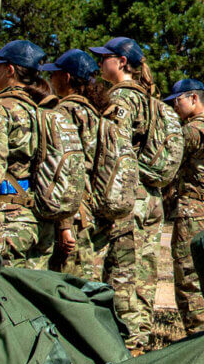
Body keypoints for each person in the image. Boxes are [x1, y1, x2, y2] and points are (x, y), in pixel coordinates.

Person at [91, 36, 181, 352]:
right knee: (145, 272)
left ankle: (125, 344)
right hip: (153, 197)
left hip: (128, 197)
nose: (100, 62)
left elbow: (110, 153)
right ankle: (141, 336)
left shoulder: (120, 101)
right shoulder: (152, 102)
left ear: (123, 63)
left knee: (121, 274)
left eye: (105, 57)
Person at [0, 40, 85, 268]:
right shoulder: (45, 110)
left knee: (1, 295)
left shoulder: (1, 109)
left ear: (9, 70)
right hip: (41, 222)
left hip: (8, 220)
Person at [41, 49, 135, 277]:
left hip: (74, 213)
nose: (50, 79)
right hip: (95, 211)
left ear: (66, 77)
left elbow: (66, 170)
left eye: (54, 74)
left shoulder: (64, 112)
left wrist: (64, 225)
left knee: (69, 285)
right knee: (88, 281)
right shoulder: (98, 113)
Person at [164, 77, 204, 334]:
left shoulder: (194, 130)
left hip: (192, 214)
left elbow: (166, 159)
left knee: (189, 281)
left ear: (194, 98)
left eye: (177, 100)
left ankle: (198, 338)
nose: (174, 106)